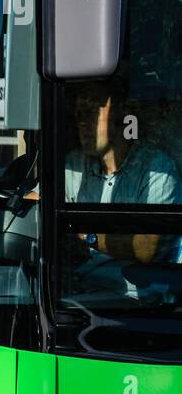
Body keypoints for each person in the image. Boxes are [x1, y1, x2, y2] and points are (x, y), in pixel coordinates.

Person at [64, 77, 180, 265]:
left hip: (134, 291)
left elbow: (146, 248)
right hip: (81, 285)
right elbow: (38, 201)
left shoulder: (156, 169)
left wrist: (87, 236)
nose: (83, 123)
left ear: (121, 115)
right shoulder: (75, 165)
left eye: (91, 112)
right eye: (79, 115)